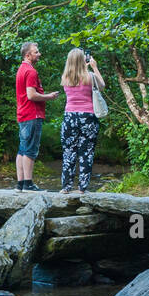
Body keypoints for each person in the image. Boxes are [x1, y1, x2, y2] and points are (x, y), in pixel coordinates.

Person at [14, 41, 60, 191]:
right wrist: (50, 96)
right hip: (31, 114)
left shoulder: (21, 69)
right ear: (28, 55)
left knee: (22, 149)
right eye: (36, 52)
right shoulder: (31, 71)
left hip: (23, 114)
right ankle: (28, 183)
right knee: (30, 150)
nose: (39, 54)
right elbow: (31, 95)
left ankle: (20, 184)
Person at [59, 49, 105, 194]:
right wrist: (94, 67)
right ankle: (82, 188)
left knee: (69, 151)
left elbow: (77, 76)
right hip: (88, 117)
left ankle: (66, 187)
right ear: (83, 60)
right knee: (86, 152)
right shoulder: (90, 76)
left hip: (70, 117)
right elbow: (102, 86)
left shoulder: (65, 77)